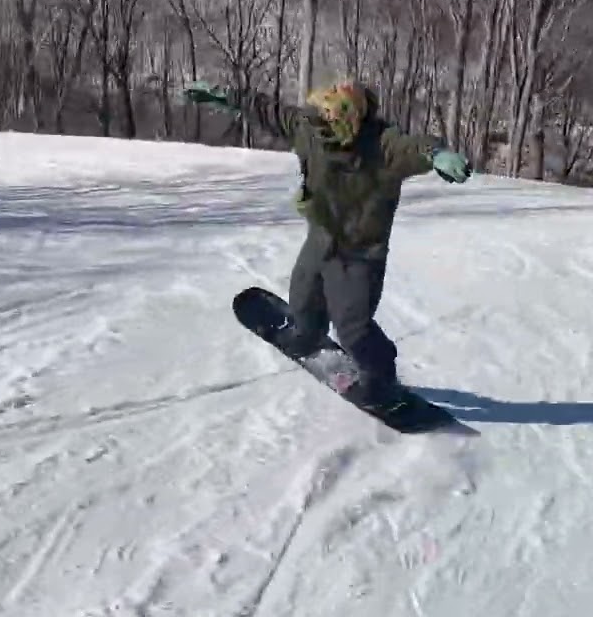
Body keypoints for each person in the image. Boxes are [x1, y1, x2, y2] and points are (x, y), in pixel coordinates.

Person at [182, 79, 472, 415]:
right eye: (322, 118)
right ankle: (307, 334)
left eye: (331, 122)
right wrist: (230, 96)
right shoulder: (309, 129)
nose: (324, 126)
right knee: (302, 296)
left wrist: (436, 154)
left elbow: (413, 146)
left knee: (353, 326)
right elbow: (270, 111)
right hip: (320, 237)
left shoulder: (381, 146)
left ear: (352, 120)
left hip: (360, 252)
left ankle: (380, 375)